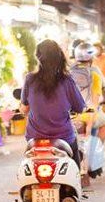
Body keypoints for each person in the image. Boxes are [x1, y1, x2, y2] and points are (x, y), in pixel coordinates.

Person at [20, 40, 86, 168]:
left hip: (35, 138)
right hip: (64, 137)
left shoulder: (30, 79)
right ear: (59, 57)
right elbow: (80, 107)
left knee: (28, 164)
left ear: (38, 57)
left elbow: (24, 108)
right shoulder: (66, 81)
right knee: (74, 167)